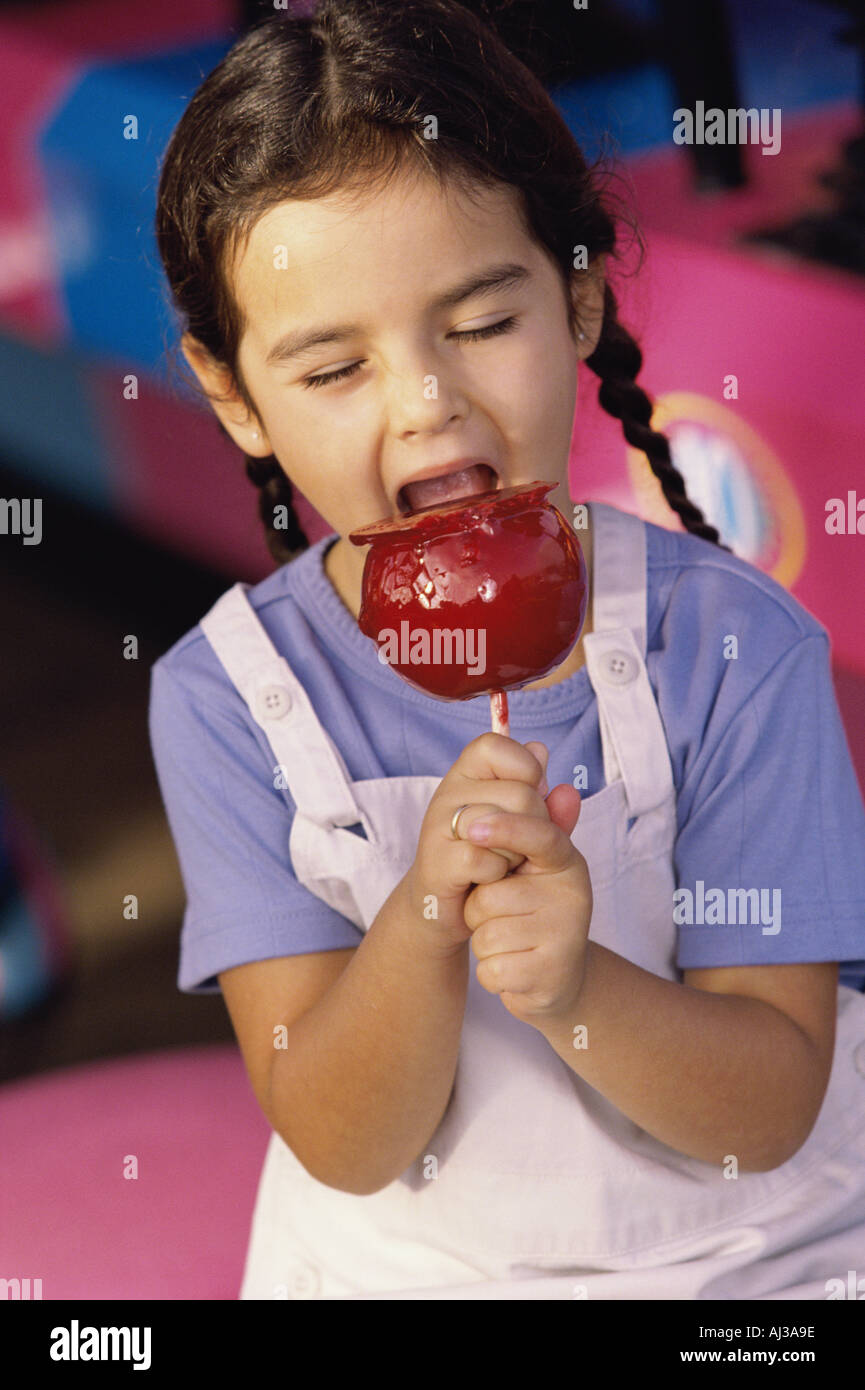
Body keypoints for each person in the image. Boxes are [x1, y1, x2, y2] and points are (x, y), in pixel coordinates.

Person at [148, 0, 865, 1300]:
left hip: (750, 1267)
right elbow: (342, 1139)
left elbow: (767, 1108)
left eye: (480, 323)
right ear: (233, 394)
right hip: (411, 1267)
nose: (428, 401)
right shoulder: (226, 703)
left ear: (579, 298)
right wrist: (427, 915)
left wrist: (572, 982)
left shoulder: (732, 648)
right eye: (330, 369)